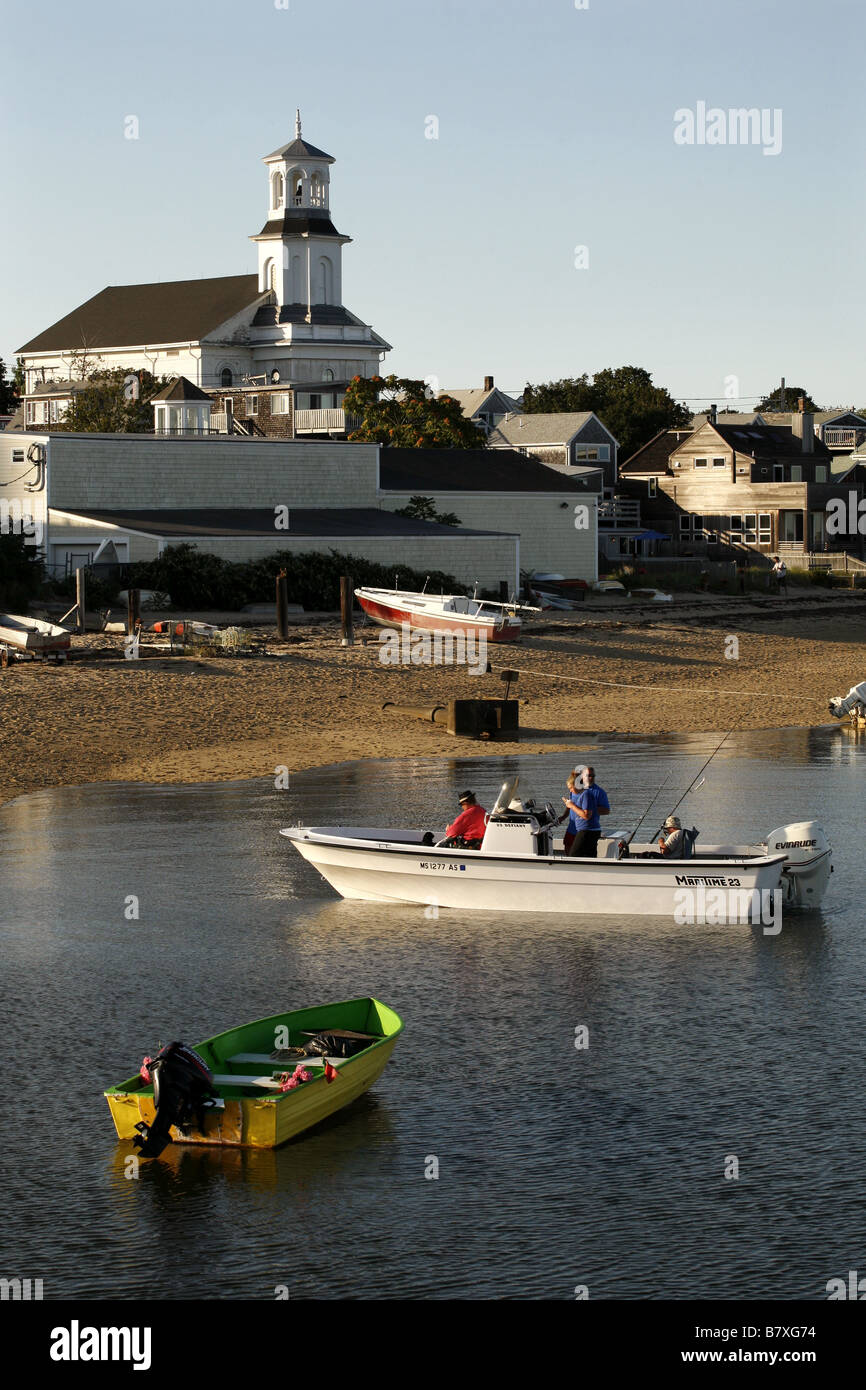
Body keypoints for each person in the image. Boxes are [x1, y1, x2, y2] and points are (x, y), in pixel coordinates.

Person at [563, 765, 610, 858]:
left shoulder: (590, 793)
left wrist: (576, 806)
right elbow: (572, 805)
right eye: (589, 775)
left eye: (593, 775)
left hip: (587, 829)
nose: (591, 777)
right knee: (572, 852)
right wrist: (564, 815)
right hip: (574, 828)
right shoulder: (576, 791)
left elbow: (586, 814)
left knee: (574, 857)